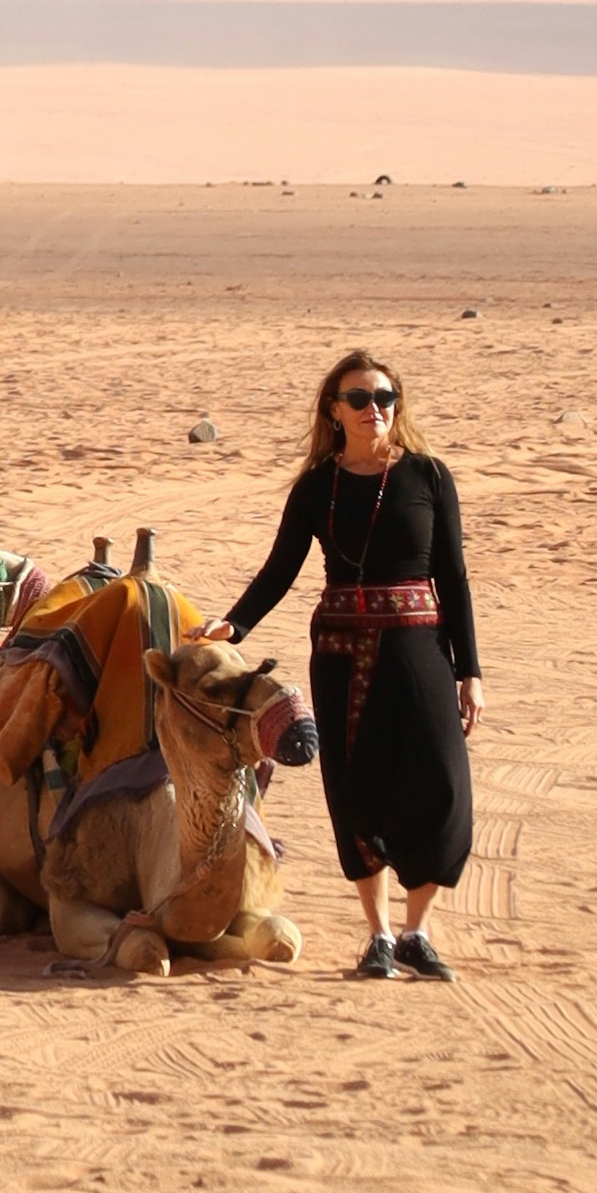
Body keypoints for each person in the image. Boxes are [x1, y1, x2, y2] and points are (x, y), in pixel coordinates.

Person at [210, 348, 480, 980]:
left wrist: (470, 671)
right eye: (358, 398)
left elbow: (455, 578)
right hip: (341, 653)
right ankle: (381, 936)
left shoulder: (430, 477)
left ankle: (419, 931)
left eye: (383, 398)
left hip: (420, 650)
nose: (373, 409)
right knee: (357, 789)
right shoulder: (318, 486)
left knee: (442, 784)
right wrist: (236, 623)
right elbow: (281, 567)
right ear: (334, 411)